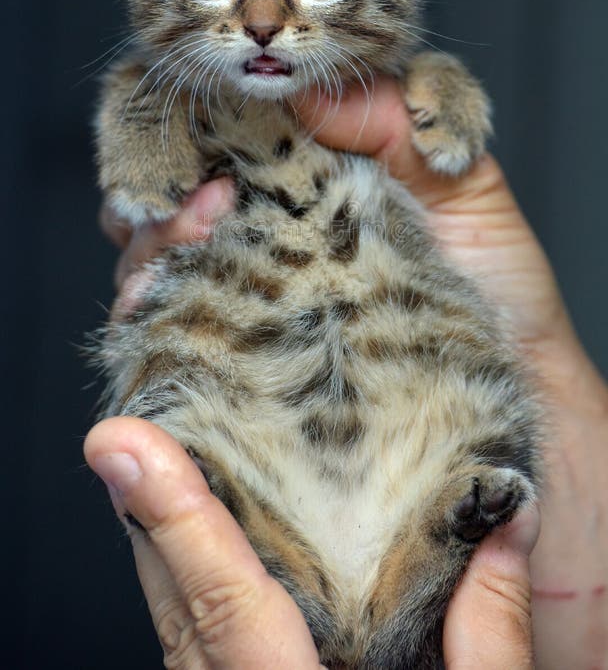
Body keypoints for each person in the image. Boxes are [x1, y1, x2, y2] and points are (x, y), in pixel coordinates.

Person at [87, 78, 608, 668]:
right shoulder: (184, 90)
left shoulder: (357, 98)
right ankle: (288, 532)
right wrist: (142, 104)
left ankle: (390, 563)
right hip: (298, 445)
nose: (264, 32)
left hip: (392, 440)